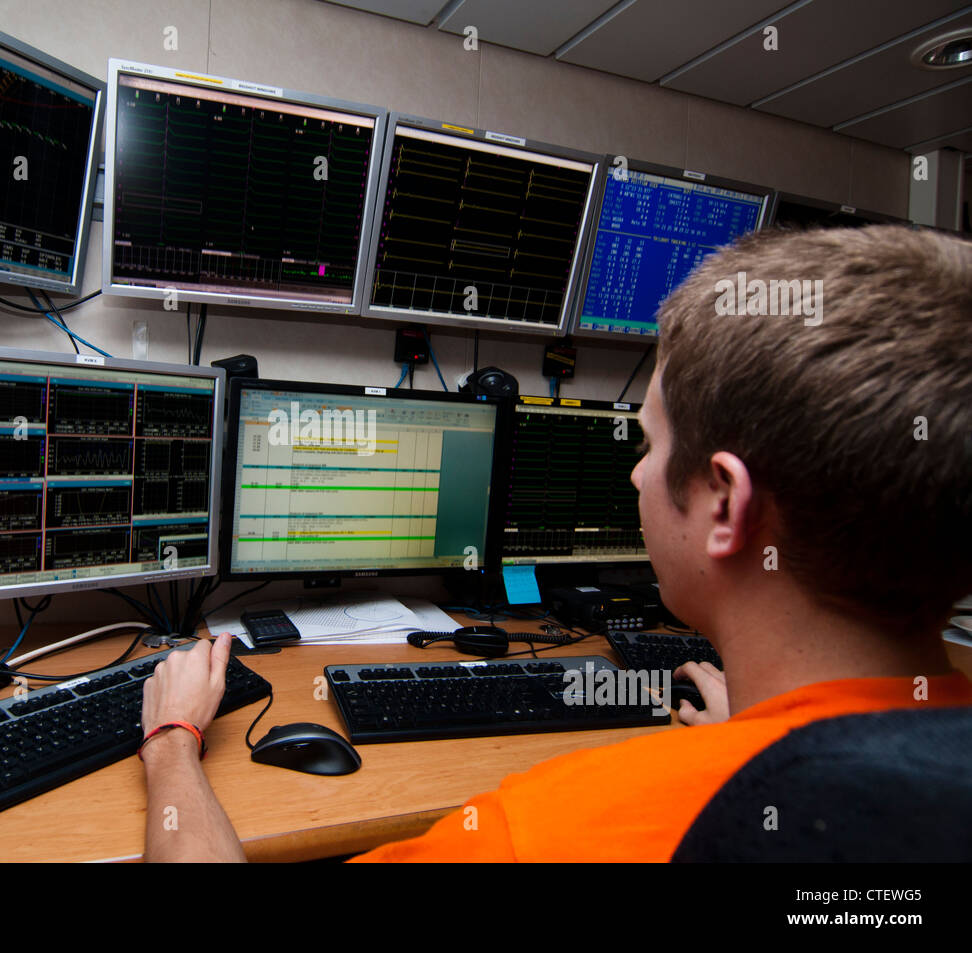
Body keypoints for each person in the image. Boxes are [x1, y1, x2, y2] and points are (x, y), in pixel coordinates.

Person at [137, 225, 972, 862]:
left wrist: (172, 739)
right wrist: (755, 735)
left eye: (647, 445)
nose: (638, 479)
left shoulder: (553, 828)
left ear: (725, 504)